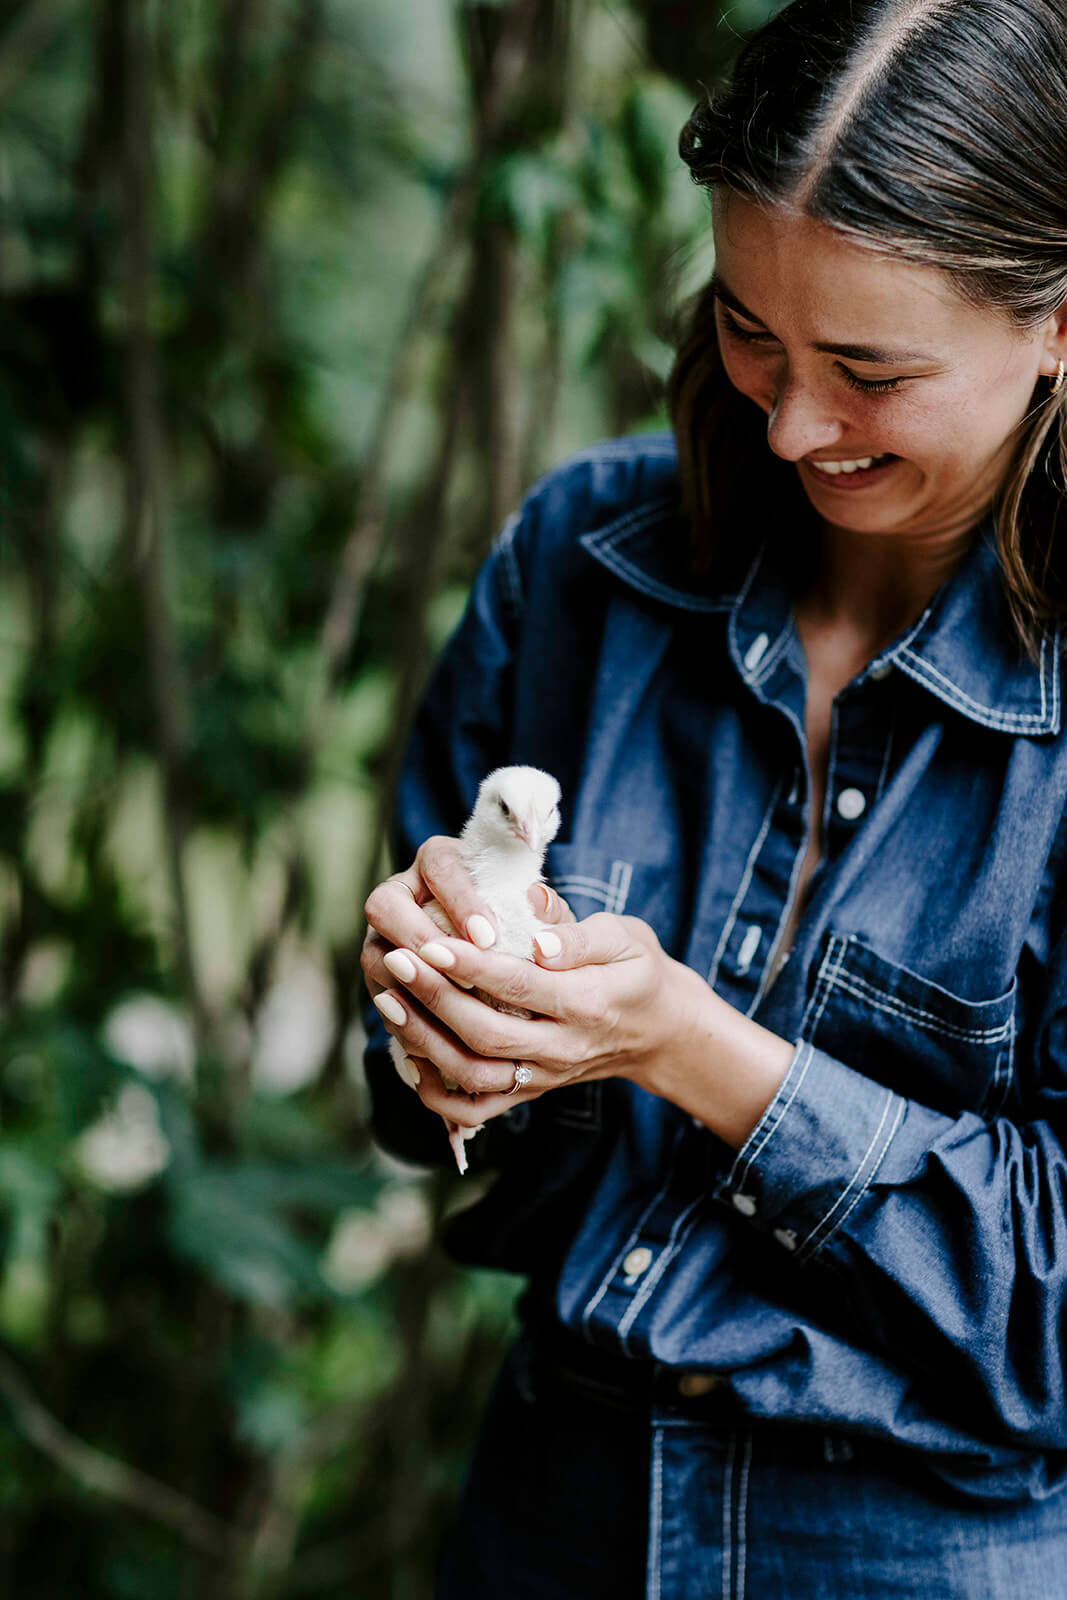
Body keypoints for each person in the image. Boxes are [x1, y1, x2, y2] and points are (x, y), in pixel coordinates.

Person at [361, 0, 1067, 1591]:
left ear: (1060, 325)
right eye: (752, 330)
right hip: (553, 1502)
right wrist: (443, 1018)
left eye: (871, 373)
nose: (793, 422)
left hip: (925, 1552)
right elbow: (422, 1137)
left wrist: (695, 1052)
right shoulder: (584, 564)